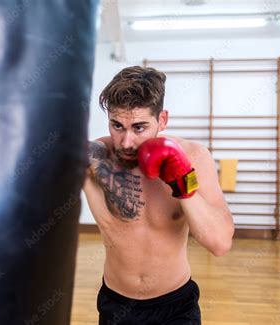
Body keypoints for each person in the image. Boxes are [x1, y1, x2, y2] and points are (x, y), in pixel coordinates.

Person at [83, 66, 234, 324]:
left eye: (139, 127)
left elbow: (219, 244)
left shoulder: (194, 157)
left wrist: (184, 185)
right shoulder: (93, 159)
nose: (126, 141)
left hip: (175, 307)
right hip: (115, 305)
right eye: (117, 126)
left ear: (162, 120)